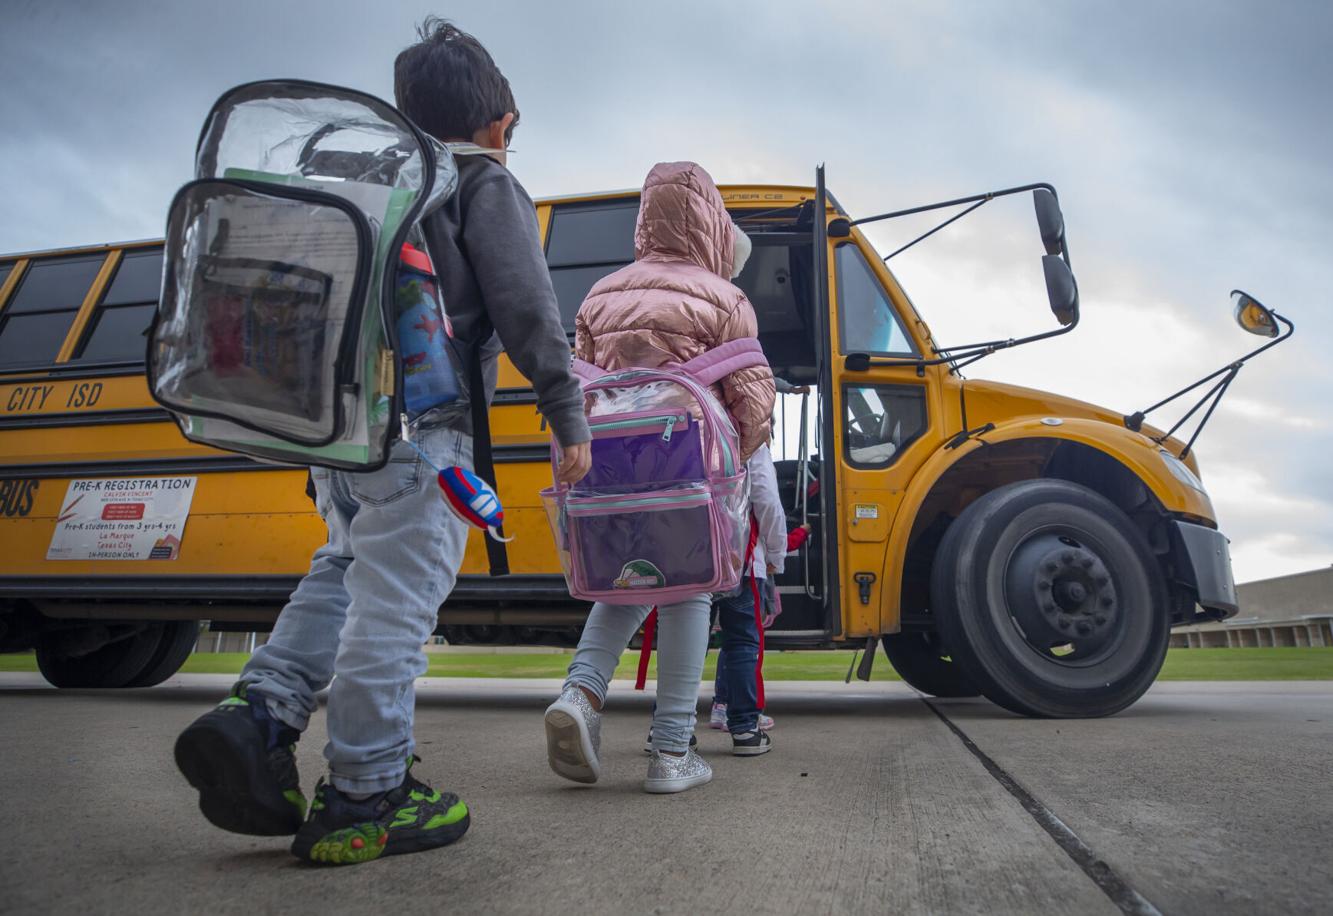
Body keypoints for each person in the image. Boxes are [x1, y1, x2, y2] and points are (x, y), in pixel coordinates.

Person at [173, 19, 592, 866]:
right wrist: (565, 412)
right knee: (396, 605)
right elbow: (526, 308)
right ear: (499, 123)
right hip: (425, 436)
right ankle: (368, 791)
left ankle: (259, 716)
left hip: (340, 437)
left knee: (342, 572)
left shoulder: (365, 183)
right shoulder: (480, 183)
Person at [543, 161, 775, 794]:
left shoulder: (600, 293)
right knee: (689, 590)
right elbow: (754, 405)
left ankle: (581, 693)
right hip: (687, 477)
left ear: (647, 219)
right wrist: (725, 461)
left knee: (621, 588)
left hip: (609, 476)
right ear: (710, 224)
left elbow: (579, 387)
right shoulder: (726, 298)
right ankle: (671, 751)